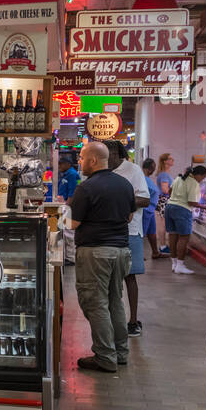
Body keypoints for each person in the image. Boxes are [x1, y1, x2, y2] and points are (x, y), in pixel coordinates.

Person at [67, 140, 135, 373]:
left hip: (95, 252)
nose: (80, 162)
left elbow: (73, 224)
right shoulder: (124, 184)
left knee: (96, 304)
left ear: (93, 160)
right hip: (121, 251)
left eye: (82, 158)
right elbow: (129, 217)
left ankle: (105, 356)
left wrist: (60, 216)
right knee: (115, 301)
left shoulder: (86, 187)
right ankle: (120, 352)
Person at [108, 141, 151, 337]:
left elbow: (145, 200)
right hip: (106, 230)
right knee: (109, 278)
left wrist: (120, 201)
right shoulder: (102, 170)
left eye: (108, 154)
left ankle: (133, 321)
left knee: (129, 275)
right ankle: (111, 320)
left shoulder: (133, 170)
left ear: (117, 154)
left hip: (130, 231)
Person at [163, 164, 206, 274]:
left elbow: (170, 191)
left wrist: (177, 198)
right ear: (199, 175)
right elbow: (191, 202)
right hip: (182, 210)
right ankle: (180, 265)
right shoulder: (194, 183)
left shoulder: (179, 178)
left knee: (173, 235)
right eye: (203, 177)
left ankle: (174, 263)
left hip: (170, 207)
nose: (202, 180)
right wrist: (205, 207)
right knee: (183, 237)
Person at [141, 158, 162, 259]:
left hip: (151, 209)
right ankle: (138, 255)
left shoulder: (147, 179)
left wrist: (155, 204)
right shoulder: (142, 179)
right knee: (141, 234)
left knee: (151, 232)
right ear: (149, 168)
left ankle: (155, 252)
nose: (154, 170)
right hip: (145, 210)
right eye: (153, 168)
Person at [155, 153, 176, 254]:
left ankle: (164, 246)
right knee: (163, 224)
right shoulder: (164, 174)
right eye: (170, 158)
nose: (173, 160)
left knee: (164, 224)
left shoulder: (165, 174)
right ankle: (163, 246)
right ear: (165, 161)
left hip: (165, 200)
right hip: (164, 200)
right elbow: (165, 190)